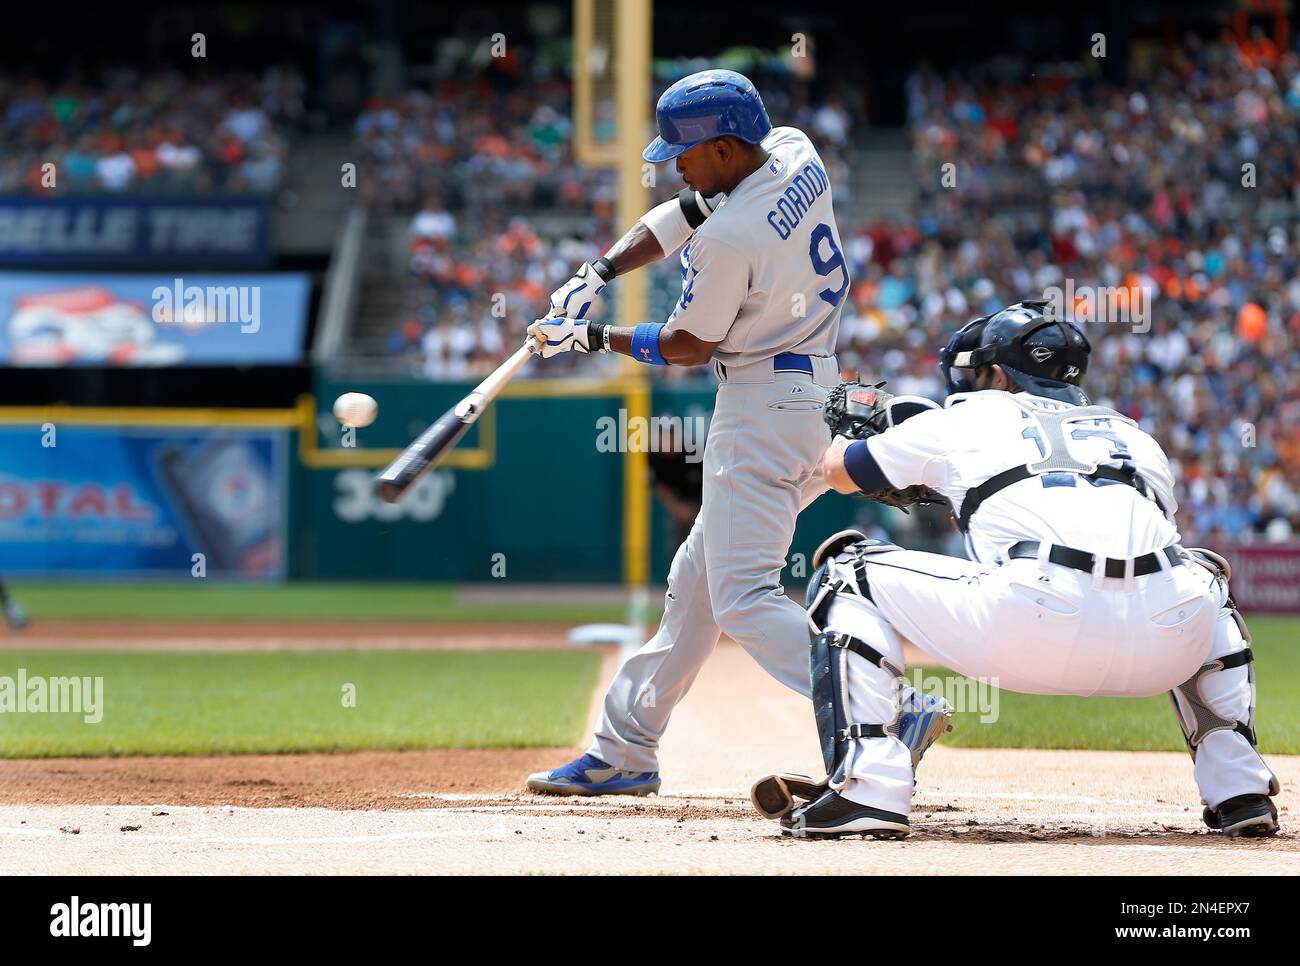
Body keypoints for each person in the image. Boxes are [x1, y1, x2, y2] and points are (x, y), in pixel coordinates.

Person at [523, 69, 950, 796]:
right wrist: (598, 269)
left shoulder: (732, 236)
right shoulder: (793, 150)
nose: (673, 164)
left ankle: (890, 712)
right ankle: (626, 749)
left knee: (744, 595)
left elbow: (689, 343)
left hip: (760, 410)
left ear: (725, 147)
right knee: (698, 587)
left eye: (684, 151)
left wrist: (590, 335)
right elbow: (684, 210)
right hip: (815, 393)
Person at [753, 300, 1279, 839]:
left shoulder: (968, 415)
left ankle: (869, 788)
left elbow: (839, 471)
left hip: (1031, 626)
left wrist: (858, 436)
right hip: (1165, 640)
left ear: (1000, 374)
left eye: (981, 373)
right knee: (1202, 575)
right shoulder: (1136, 437)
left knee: (846, 570)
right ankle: (1239, 789)